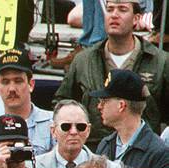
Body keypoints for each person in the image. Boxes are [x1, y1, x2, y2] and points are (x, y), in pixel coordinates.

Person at [55, 0, 169, 146]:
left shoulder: (160, 61)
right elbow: (62, 103)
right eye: (109, 9)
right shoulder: (83, 60)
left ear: (136, 18)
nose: (114, 15)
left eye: (122, 9)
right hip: (93, 150)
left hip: (142, 153)